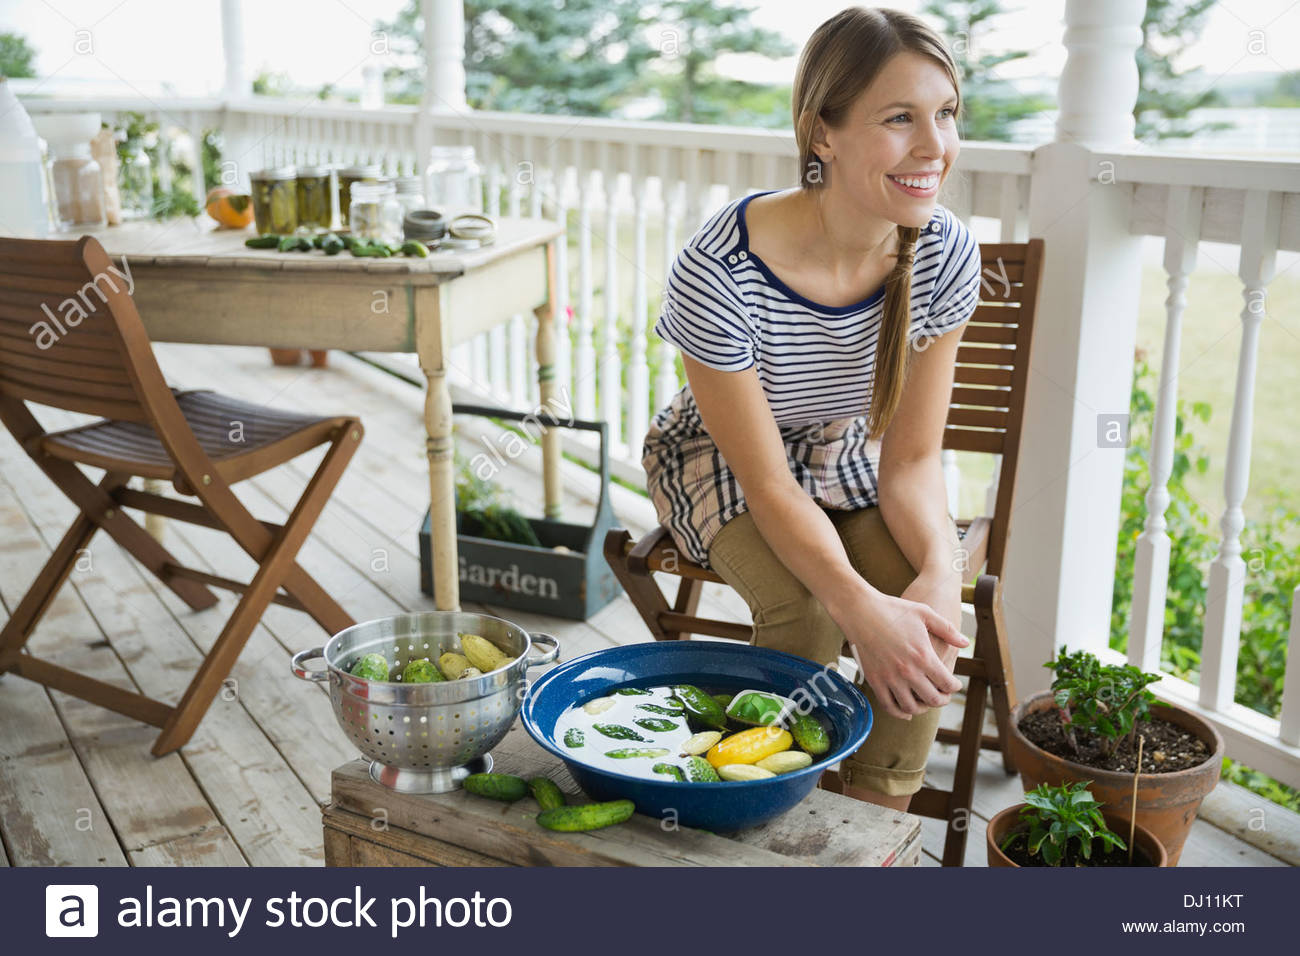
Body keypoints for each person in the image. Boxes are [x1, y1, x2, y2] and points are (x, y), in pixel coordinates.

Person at [641, 6, 983, 812]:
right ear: (820, 133)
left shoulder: (940, 252)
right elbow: (768, 487)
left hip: (844, 451)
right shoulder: (719, 269)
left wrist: (941, 576)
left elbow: (910, 460)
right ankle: (753, 821)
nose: (934, 147)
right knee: (809, 610)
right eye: (900, 118)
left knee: (918, 607)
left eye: (945, 114)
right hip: (721, 456)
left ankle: (870, 839)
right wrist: (857, 605)